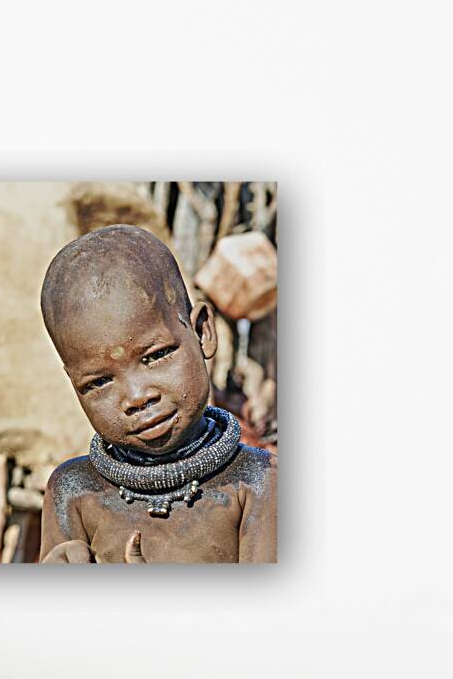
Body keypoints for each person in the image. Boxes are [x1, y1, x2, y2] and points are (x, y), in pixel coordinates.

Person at [37, 225, 276, 563]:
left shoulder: (258, 482)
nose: (136, 397)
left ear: (202, 332)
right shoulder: (74, 491)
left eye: (156, 356)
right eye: (98, 382)